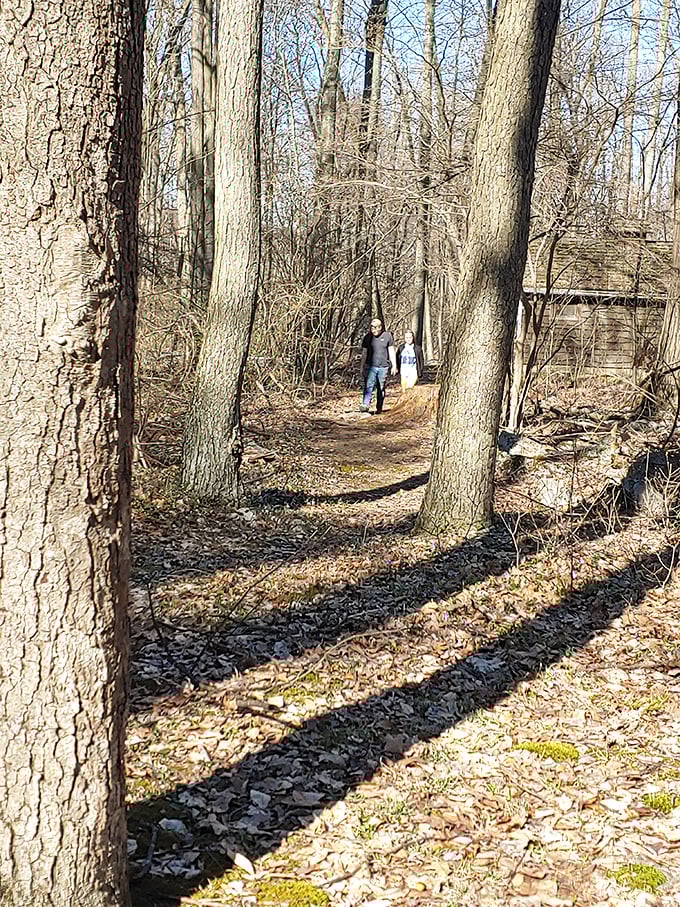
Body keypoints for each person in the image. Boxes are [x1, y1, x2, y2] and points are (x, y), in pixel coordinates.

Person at [359, 318, 397, 413]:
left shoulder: (387, 336)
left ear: (380, 327)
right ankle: (365, 405)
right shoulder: (367, 338)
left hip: (383, 366)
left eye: (376, 327)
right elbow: (364, 353)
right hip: (370, 366)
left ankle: (379, 407)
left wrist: (394, 365)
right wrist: (361, 366)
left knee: (381, 388)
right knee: (369, 386)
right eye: (372, 327)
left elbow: (391, 351)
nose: (374, 329)